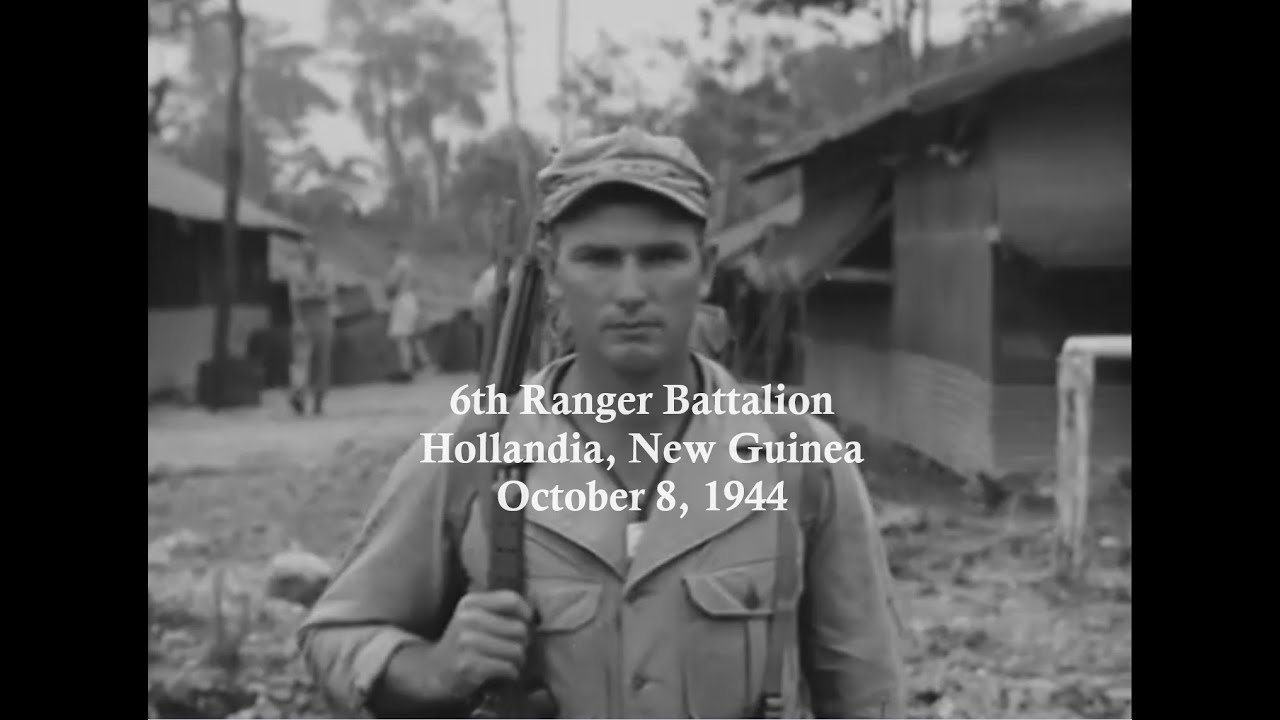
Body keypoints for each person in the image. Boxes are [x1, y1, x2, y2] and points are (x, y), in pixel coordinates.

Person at [297, 126, 906, 718]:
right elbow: (335, 635)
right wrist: (434, 670)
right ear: (553, 272)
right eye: (599, 258)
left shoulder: (800, 461)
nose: (631, 290)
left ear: (707, 267)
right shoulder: (472, 456)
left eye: (662, 256)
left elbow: (868, 694)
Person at [287, 239, 337, 416]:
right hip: (304, 316)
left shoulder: (327, 270)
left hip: (322, 317)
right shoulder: (295, 271)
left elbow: (329, 294)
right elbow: (294, 298)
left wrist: (309, 293)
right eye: (306, 254)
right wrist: (297, 321)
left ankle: (318, 402)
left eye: (312, 254)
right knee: (301, 360)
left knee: (322, 361)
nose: (309, 257)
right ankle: (298, 394)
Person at [385, 239, 423, 381]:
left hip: (402, 300)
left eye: (389, 252)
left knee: (402, 338)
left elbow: (391, 284)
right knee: (407, 337)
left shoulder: (400, 264)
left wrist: (387, 290)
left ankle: (406, 369)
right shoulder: (407, 263)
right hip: (409, 299)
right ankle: (412, 366)